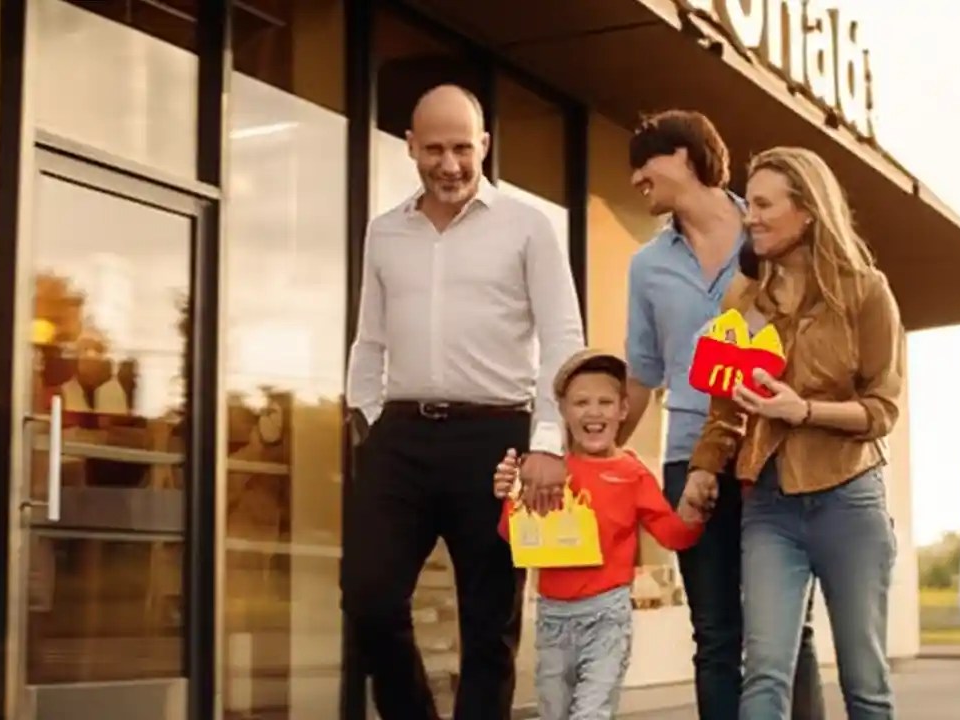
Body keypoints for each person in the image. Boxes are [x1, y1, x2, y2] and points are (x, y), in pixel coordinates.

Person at [341, 83, 584, 720]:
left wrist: (547, 444)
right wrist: (367, 417)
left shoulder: (527, 226)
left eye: (461, 148)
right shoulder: (385, 232)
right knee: (368, 599)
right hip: (400, 436)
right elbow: (371, 337)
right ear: (411, 148)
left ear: (484, 145)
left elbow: (563, 338)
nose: (449, 164)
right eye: (435, 149)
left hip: (496, 439)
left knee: (488, 625)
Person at [682, 146, 904, 720]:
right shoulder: (744, 300)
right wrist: (705, 468)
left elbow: (881, 410)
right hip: (770, 505)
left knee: (865, 681)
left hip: (849, 501)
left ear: (806, 211)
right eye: (748, 203)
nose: (749, 216)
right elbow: (724, 405)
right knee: (764, 676)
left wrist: (802, 409)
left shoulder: (865, 290)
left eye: (762, 204)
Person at [619, 110, 825, 720]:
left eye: (644, 164)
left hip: (777, 452)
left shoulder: (774, 231)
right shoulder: (646, 266)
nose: (635, 180)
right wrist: (595, 455)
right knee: (715, 638)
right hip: (691, 456)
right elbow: (643, 373)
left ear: (684, 157)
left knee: (790, 635)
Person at [492, 348, 705, 719]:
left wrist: (693, 512)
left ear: (623, 409)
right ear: (562, 409)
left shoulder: (632, 473)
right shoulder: (545, 469)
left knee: (591, 713)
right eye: (581, 402)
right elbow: (513, 536)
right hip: (552, 617)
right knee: (553, 712)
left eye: (605, 402)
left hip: (607, 615)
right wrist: (508, 494)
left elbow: (673, 536)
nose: (594, 412)